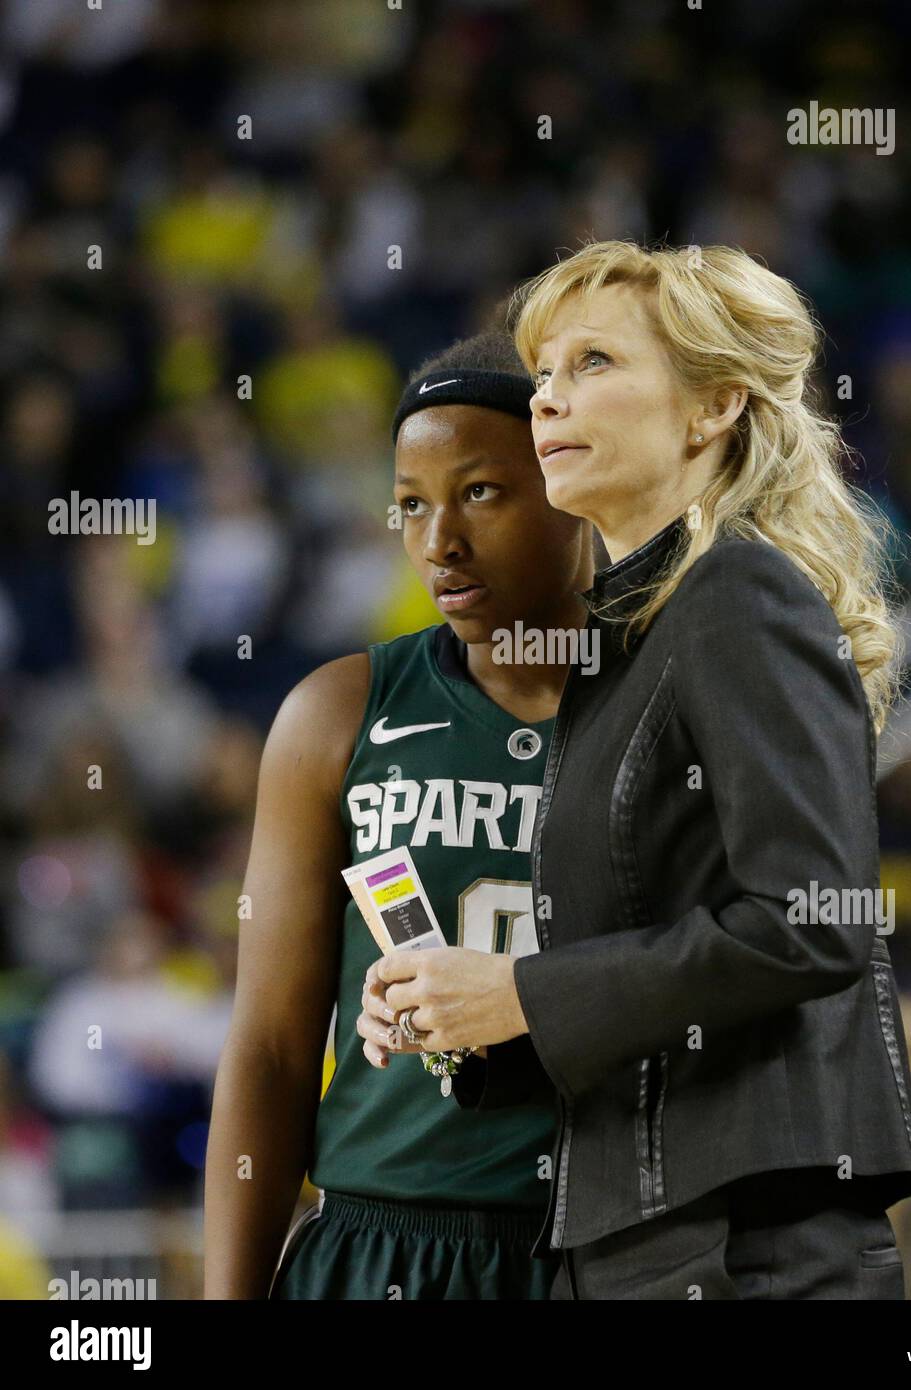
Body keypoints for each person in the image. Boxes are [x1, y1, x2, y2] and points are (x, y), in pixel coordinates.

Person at [362, 240, 911, 1300]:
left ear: (712, 408)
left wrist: (521, 990)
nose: (548, 402)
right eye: (542, 376)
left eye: (593, 365)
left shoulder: (737, 593)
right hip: (650, 1236)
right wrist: (464, 1017)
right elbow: (649, 984)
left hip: (754, 1242)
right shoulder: (627, 646)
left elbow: (816, 920)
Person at [203, 330, 595, 1299]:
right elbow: (271, 1049)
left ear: (572, 489)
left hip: (600, 1250)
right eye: (412, 505)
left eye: (481, 493)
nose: (438, 542)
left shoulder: (672, 705)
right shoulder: (335, 715)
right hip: (378, 1247)